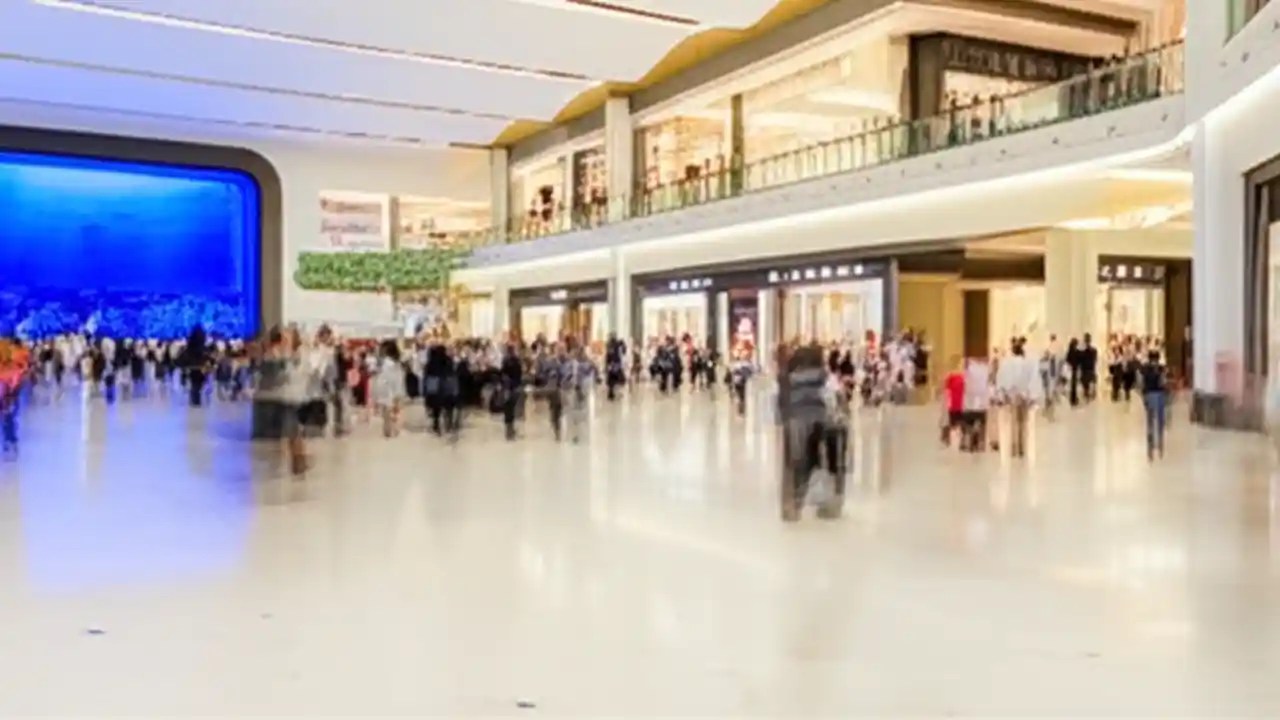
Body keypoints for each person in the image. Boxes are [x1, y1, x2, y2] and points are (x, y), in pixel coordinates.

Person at [779, 344, 837, 521]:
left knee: (794, 465)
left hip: (795, 422)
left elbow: (782, 402)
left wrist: (783, 418)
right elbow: (833, 397)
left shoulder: (789, 378)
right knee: (818, 461)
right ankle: (825, 503)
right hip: (819, 422)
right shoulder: (823, 376)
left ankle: (792, 505)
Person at [995, 339, 1042, 458]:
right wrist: (1031, 395)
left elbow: (1002, 379)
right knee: (1023, 422)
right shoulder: (1027, 364)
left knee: (1013, 421)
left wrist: (1003, 394)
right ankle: (1022, 447)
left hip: (1012, 395)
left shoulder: (1006, 363)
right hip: (1024, 395)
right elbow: (1032, 379)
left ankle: (1014, 446)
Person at [372, 339, 405, 438]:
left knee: (387, 412)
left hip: (386, 389)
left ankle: (388, 431)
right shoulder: (397, 363)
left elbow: (385, 378)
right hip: (395, 388)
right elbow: (398, 377)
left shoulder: (386, 363)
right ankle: (394, 429)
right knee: (394, 410)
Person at [1139, 349, 1168, 460]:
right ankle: (1159, 441)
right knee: (1159, 418)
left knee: (1150, 418)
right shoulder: (1161, 369)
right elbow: (1164, 382)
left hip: (1149, 394)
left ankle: (1151, 440)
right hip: (1159, 394)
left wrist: (1143, 395)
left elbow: (1141, 383)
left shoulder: (1144, 369)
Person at [499, 343, 523, 441]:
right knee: (511, 409)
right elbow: (519, 374)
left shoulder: (505, 360)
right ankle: (510, 429)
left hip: (507, 388)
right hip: (514, 387)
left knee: (508, 409)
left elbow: (502, 374)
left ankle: (508, 429)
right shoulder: (516, 360)